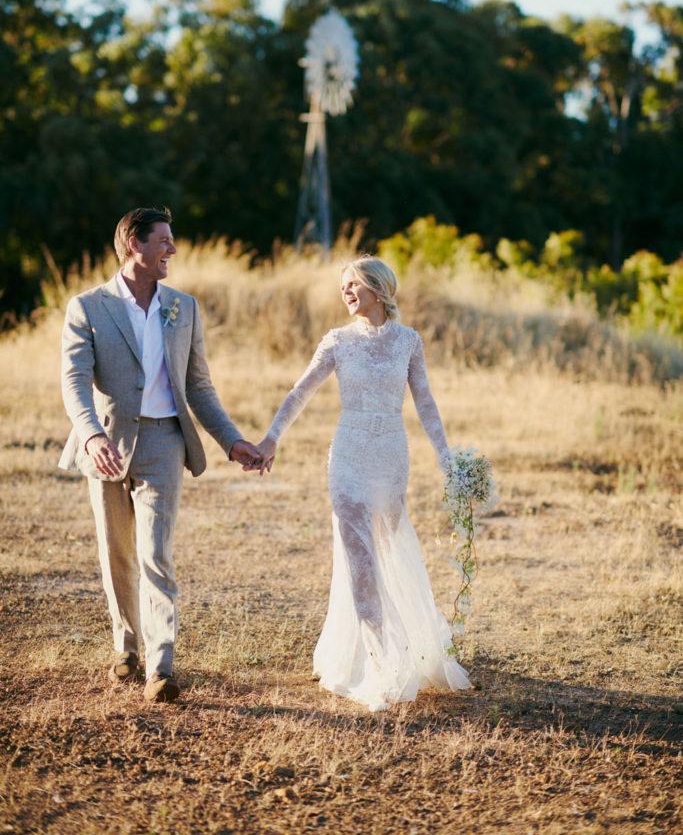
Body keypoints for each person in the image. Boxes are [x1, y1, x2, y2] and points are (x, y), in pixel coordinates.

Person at [59, 207, 262, 703]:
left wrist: (231, 439)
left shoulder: (182, 307)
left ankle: (161, 666)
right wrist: (90, 436)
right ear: (134, 243)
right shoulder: (87, 307)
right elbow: (74, 383)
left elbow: (198, 386)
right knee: (116, 551)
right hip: (105, 444)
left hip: (165, 441)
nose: (172, 249)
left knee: (156, 553)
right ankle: (125, 646)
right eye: (164, 240)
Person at [252, 254, 471, 711]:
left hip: (391, 456)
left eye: (353, 285)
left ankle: (413, 647)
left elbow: (425, 402)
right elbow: (300, 391)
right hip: (348, 456)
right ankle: (381, 666)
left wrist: (446, 456)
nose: (346, 293)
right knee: (360, 561)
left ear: (378, 288)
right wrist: (272, 437)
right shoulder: (336, 341)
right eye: (343, 286)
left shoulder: (408, 342)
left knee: (387, 550)